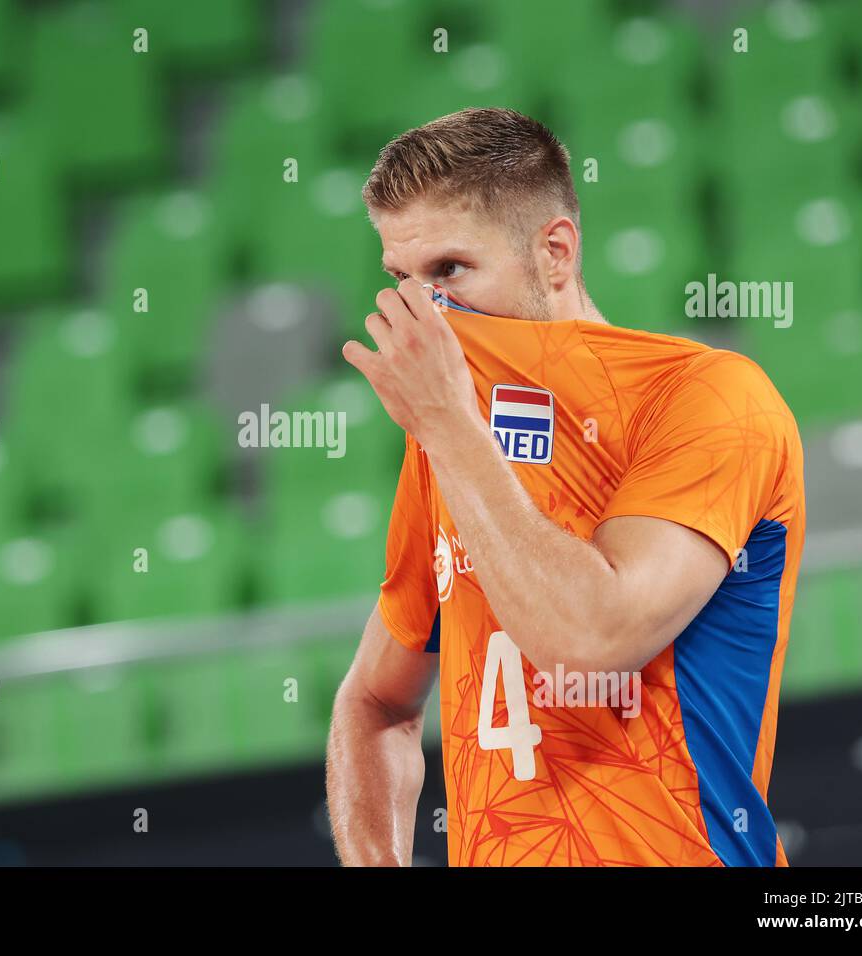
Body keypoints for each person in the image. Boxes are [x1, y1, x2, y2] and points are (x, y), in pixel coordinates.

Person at [325, 107, 805, 867]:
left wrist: (448, 427)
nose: (423, 313)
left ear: (554, 253)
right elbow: (375, 702)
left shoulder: (710, 397)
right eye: (402, 281)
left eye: (449, 271)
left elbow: (590, 643)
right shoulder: (450, 441)